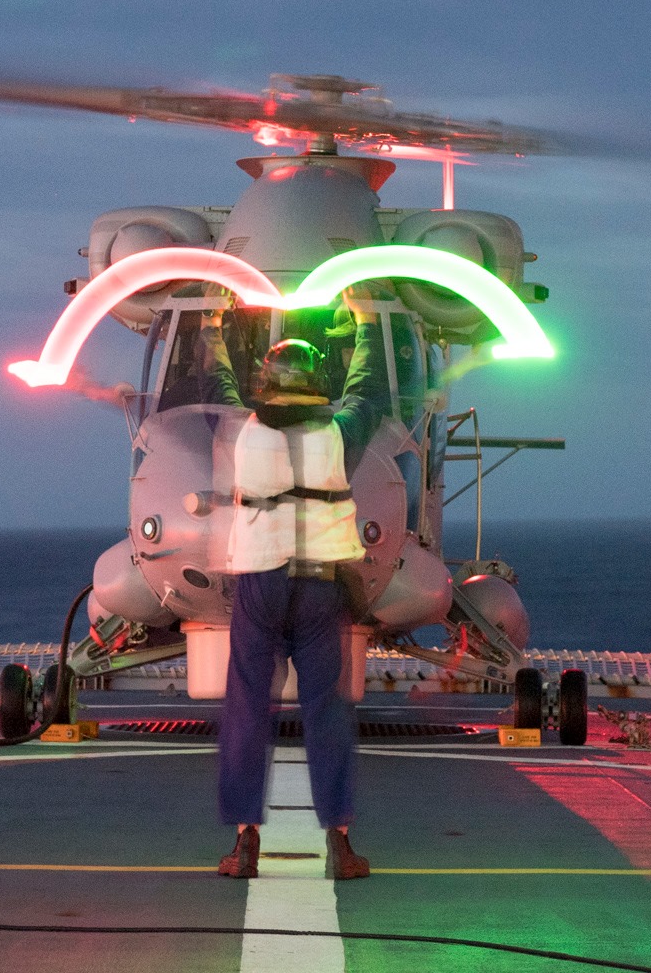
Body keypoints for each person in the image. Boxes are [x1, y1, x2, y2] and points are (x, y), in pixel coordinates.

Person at [202, 290, 391, 880]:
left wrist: (213, 325)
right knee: (327, 711)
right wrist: (364, 324)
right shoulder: (339, 432)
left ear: (268, 381)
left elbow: (216, 389)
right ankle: (340, 846)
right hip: (320, 587)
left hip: (260, 586)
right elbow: (369, 391)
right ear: (313, 382)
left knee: (246, 709)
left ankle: (244, 845)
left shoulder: (243, 430)